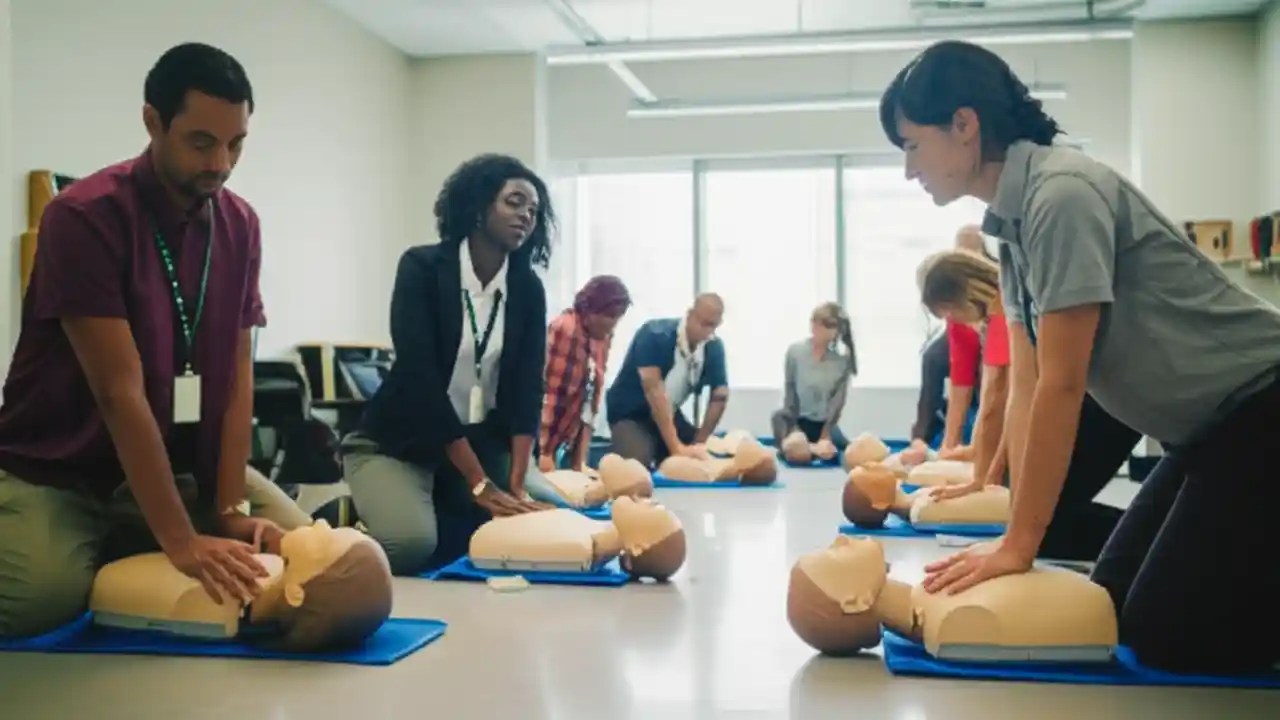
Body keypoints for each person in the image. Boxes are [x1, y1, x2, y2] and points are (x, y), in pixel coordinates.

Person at [880, 40, 1280, 673]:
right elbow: (1027, 385)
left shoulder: (1061, 194)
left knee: (1170, 633)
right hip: (1203, 437)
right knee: (1114, 602)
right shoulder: (1009, 226)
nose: (909, 170)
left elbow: (1063, 386)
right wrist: (1002, 504)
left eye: (910, 145)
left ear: (964, 125)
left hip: (1261, 411)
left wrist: (1018, 546)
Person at [0, 43, 312, 638]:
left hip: (182, 468)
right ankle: (114, 540)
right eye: (201, 142)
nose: (220, 163)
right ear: (153, 122)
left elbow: (237, 377)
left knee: (315, 561)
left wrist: (226, 510)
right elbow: (120, 391)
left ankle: (126, 541)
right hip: (64, 473)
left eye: (236, 143)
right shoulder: (83, 216)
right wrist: (181, 540)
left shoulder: (240, 223)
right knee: (39, 607)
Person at [343, 154, 558, 576]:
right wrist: (479, 483)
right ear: (478, 207)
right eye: (514, 202)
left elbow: (526, 389)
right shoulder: (422, 268)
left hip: (477, 443)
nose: (526, 216)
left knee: (547, 513)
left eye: (534, 210)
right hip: (400, 444)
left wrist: (514, 481)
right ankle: (346, 517)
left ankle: (448, 503)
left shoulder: (526, 287)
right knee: (409, 545)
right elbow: (420, 381)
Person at [606, 294, 729, 467]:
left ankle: (667, 448)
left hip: (671, 413)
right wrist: (676, 448)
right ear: (690, 314)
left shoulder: (713, 347)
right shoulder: (653, 335)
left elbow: (720, 396)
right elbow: (654, 393)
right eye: (703, 323)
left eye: (713, 326)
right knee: (637, 464)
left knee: (716, 455)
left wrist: (700, 443)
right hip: (633, 414)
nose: (707, 331)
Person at [538, 275, 632, 472]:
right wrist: (544, 453)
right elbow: (551, 396)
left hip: (565, 440)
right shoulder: (566, 329)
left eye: (618, 317)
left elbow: (591, 400)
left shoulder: (602, 337)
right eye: (609, 316)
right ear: (589, 310)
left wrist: (580, 462)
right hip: (539, 444)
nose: (613, 323)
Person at [937, 225, 996, 454]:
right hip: (987, 390)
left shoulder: (1001, 310)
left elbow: (999, 387)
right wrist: (949, 444)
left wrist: (984, 454)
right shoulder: (957, 317)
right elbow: (960, 379)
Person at [771, 302, 856, 456]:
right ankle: (800, 449)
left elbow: (837, 403)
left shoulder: (842, 362)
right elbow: (790, 395)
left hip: (823, 424)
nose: (818, 329)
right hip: (797, 420)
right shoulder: (796, 352)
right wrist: (794, 431)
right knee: (779, 419)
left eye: (826, 326)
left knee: (850, 452)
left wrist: (826, 434)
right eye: (815, 323)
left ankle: (815, 449)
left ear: (836, 331)